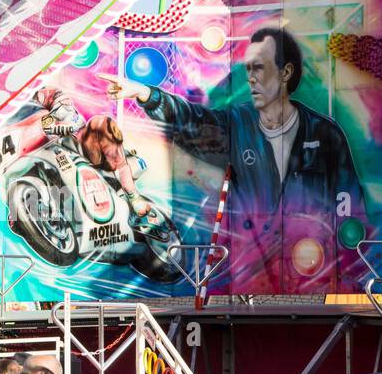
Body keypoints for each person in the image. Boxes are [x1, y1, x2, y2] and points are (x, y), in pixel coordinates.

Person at [104, 26, 368, 289]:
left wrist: (350, 279)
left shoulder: (325, 134)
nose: (251, 78)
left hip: (314, 279)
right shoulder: (238, 124)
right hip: (252, 282)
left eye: (259, 68)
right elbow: (192, 122)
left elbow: (350, 211)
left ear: (286, 72)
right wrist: (147, 95)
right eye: (249, 69)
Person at [31, 87, 150, 216]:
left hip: (82, 151)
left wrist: (63, 127)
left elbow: (71, 116)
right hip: (57, 153)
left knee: (99, 124)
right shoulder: (18, 107)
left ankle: (133, 196)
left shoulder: (47, 93)